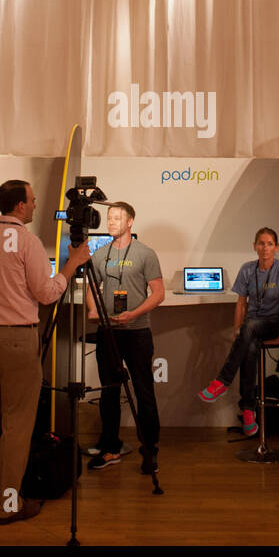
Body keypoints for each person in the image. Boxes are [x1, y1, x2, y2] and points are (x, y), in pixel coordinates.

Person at [0, 179, 90, 524]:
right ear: (20, 206)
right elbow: (48, 293)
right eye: (33, 201)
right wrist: (72, 263)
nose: (36, 206)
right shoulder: (27, 240)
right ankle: (9, 504)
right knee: (17, 425)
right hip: (18, 340)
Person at [85, 201, 165, 475]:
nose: (111, 222)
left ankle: (149, 450)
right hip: (108, 333)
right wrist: (93, 309)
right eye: (109, 218)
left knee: (144, 392)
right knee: (109, 392)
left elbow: (158, 294)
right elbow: (92, 288)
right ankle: (110, 448)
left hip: (137, 332)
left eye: (117, 218)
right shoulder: (100, 254)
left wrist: (133, 314)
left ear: (130, 221)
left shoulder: (146, 253)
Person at [200, 227, 279, 437]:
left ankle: (222, 381)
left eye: (270, 244)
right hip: (252, 326)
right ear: (254, 246)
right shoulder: (247, 269)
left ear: (276, 247)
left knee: (251, 326)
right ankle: (247, 410)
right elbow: (241, 305)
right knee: (250, 346)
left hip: (274, 322)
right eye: (261, 243)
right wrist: (238, 331)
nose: (265, 248)